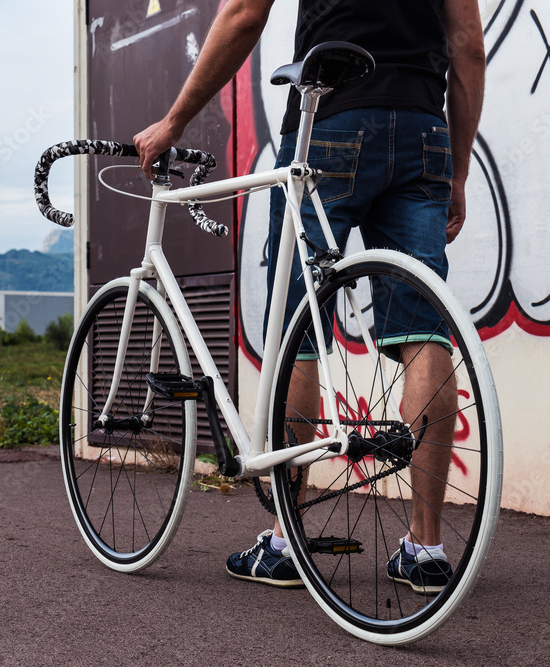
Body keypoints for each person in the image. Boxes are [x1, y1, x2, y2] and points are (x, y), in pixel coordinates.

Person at [135, 0, 486, 593]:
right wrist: (457, 170)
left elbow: (244, 14)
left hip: (331, 125)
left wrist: (174, 121)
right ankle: (427, 550)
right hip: (423, 128)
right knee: (425, 331)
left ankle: (286, 543)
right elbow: (468, 48)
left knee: (300, 330)